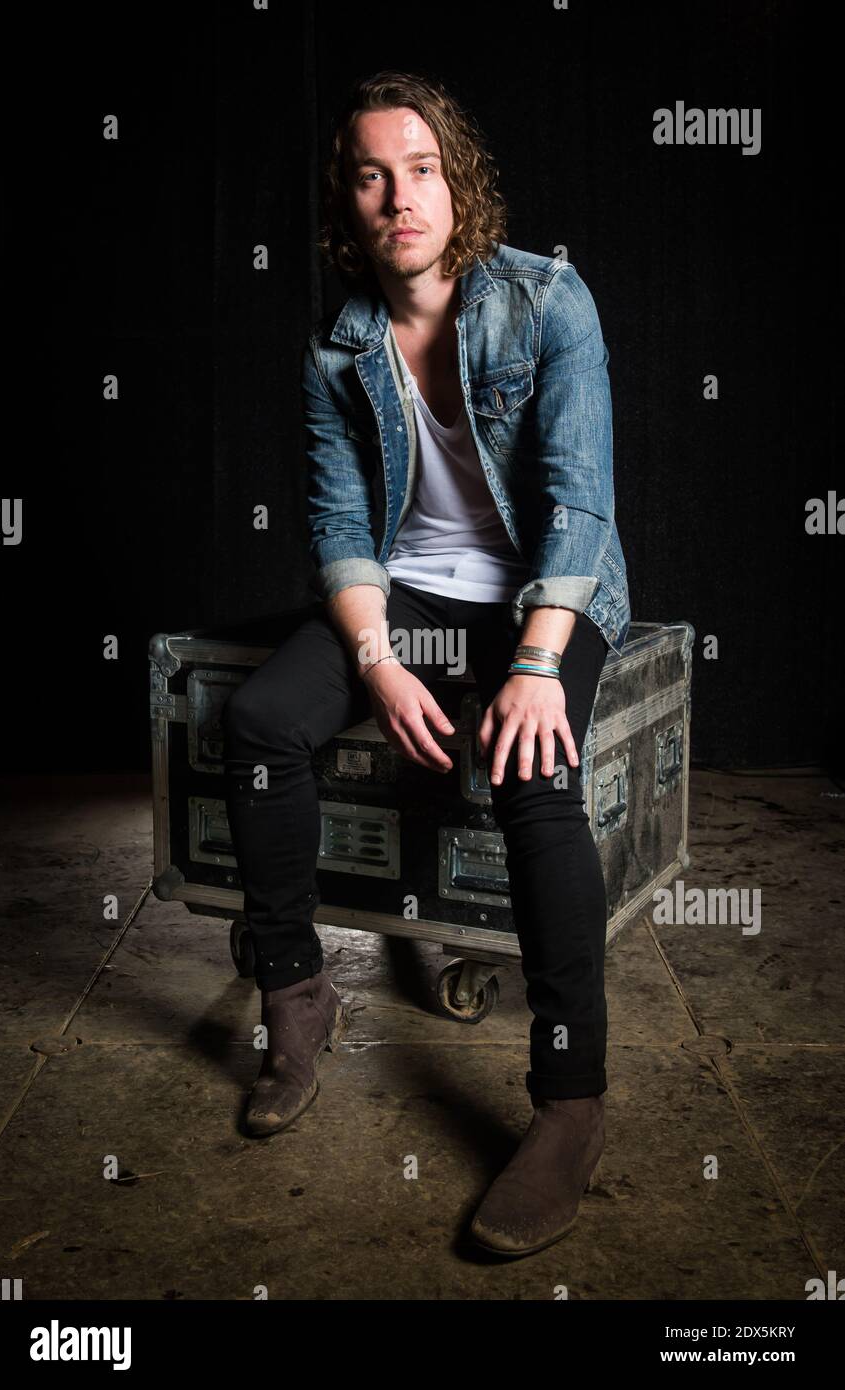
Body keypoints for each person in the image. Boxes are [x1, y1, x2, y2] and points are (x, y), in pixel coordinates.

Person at [222, 69, 631, 1258]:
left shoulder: (546, 299)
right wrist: (380, 661)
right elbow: (340, 528)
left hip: (545, 592)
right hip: (405, 597)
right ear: (346, 203)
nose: (398, 197)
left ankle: (569, 1101)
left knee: (536, 774)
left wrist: (537, 665)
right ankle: (296, 996)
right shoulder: (337, 351)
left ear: (458, 186)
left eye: (420, 170)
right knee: (258, 719)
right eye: (370, 176)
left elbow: (579, 505)